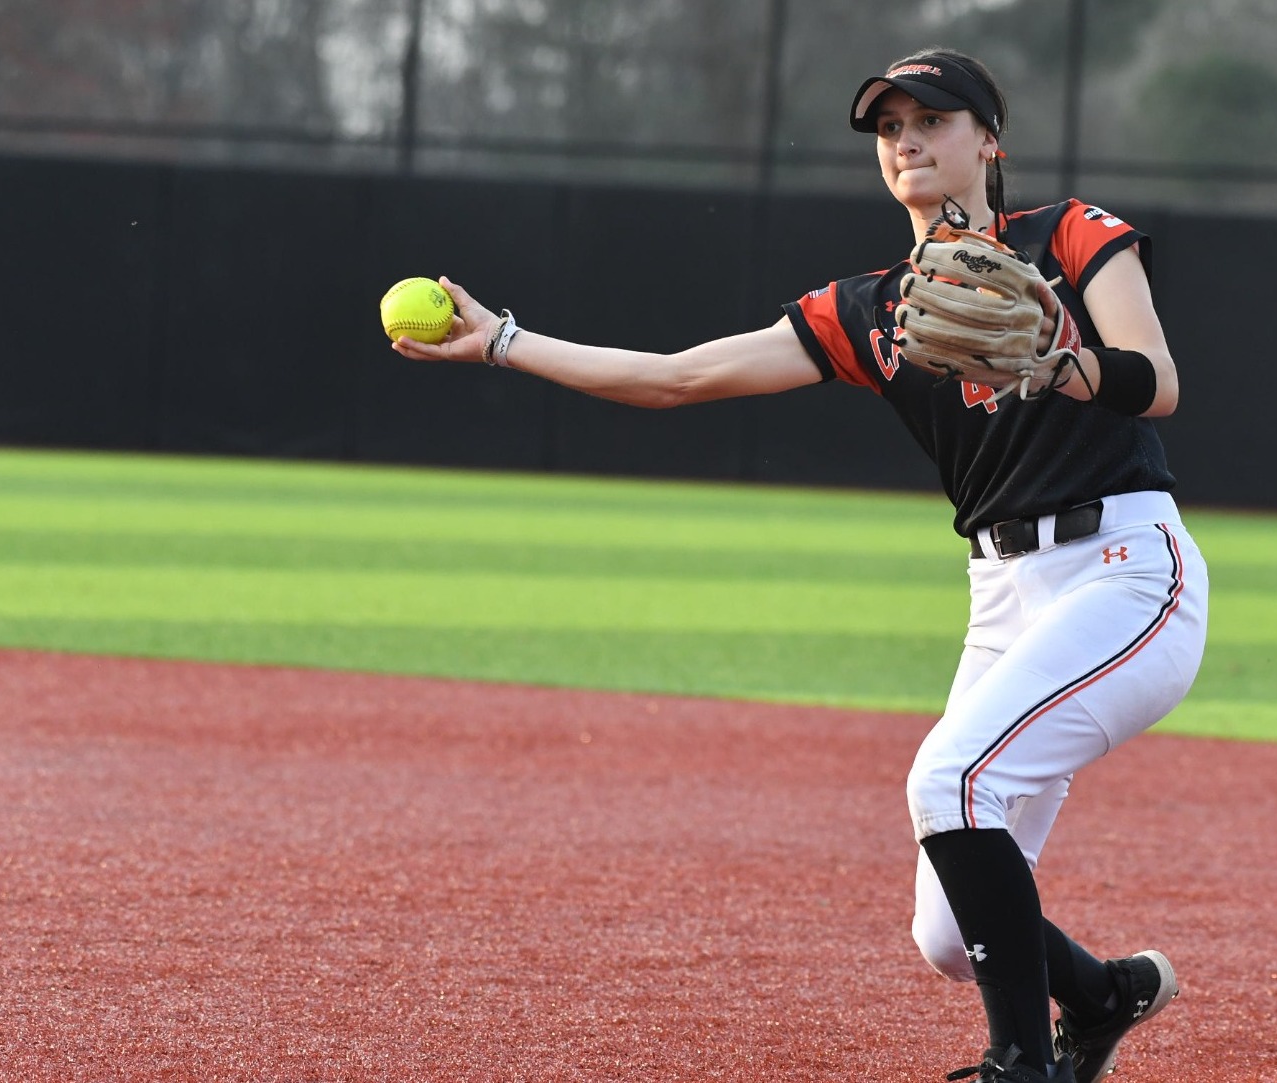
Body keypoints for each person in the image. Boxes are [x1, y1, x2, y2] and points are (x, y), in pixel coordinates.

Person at [392, 47, 1208, 1083]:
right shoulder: (867, 310)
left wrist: (1060, 361)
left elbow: (1158, 381)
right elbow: (675, 379)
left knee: (949, 779)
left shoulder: (1070, 236)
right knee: (948, 935)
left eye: (932, 120)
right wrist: (504, 341)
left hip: (1124, 569)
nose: (906, 141)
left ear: (989, 142)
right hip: (1004, 593)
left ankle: (1019, 1065)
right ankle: (1101, 997)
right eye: (889, 128)